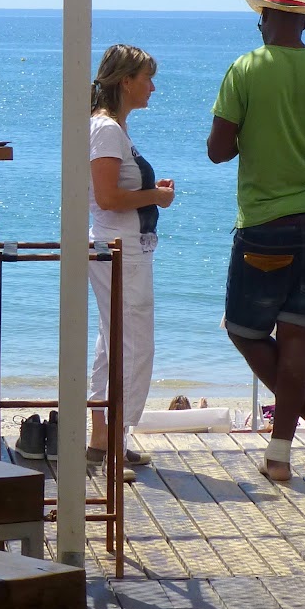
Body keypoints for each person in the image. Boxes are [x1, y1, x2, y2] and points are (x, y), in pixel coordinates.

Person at [207, 0, 305, 482]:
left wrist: (257, 134)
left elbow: (217, 150)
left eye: (261, 16)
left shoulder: (245, 68)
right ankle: (285, 451)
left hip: (264, 225)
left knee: (243, 330)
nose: (259, 23)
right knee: (296, 333)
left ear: (271, 17)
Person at [86, 44, 175, 479]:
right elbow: (106, 197)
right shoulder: (106, 129)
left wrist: (149, 192)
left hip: (118, 247)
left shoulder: (110, 128)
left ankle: (104, 440)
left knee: (113, 341)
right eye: (146, 78)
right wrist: (155, 195)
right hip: (119, 249)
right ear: (126, 82)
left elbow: (111, 190)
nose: (152, 87)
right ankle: (115, 442)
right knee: (134, 345)